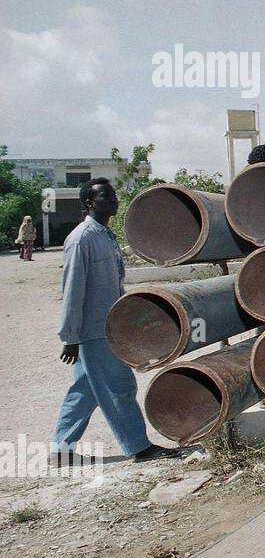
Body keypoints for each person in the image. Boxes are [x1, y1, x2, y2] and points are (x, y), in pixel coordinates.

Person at [53, 178, 177, 463]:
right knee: (120, 386)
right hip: (94, 330)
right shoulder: (81, 238)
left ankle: (60, 449)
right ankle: (138, 447)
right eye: (105, 197)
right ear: (88, 203)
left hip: (110, 326)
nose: (113, 201)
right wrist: (71, 337)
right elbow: (72, 290)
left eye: (113, 196)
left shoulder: (105, 236)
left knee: (85, 390)